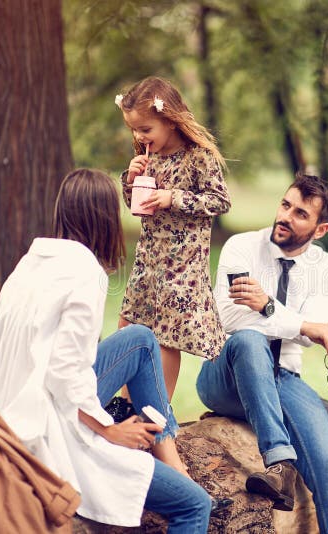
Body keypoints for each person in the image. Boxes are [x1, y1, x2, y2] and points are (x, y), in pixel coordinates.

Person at [0, 169, 211, 532]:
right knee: (195, 505)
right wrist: (108, 430)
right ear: (106, 219)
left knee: (139, 337)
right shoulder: (86, 272)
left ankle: (166, 449)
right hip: (47, 427)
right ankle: (171, 459)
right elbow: (63, 372)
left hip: (6, 414)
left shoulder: (27, 266)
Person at [196, 172, 328, 533]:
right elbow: (229, 318)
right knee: (250, 340)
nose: (285, 216)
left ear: (320, 230)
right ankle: (279, 463)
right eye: (285, 205)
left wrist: (268, 307)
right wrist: (296, 323)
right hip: (226, 373)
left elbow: (307, 335)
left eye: (301, 213)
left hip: (283, 376)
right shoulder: (241, 248)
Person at [114, 76, 231, 402]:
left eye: (146, 129)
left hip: (181, 267)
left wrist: (173, 198)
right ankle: (125, 404)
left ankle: (156, 412)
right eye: (134, 130)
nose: (139, 136)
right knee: (130, 326)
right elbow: (136, 207)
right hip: (149, 259)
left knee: (165, 337)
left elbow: (220, 201)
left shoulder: (198, 157)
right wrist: (132, 179)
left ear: (170, 120)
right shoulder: (147, 156)